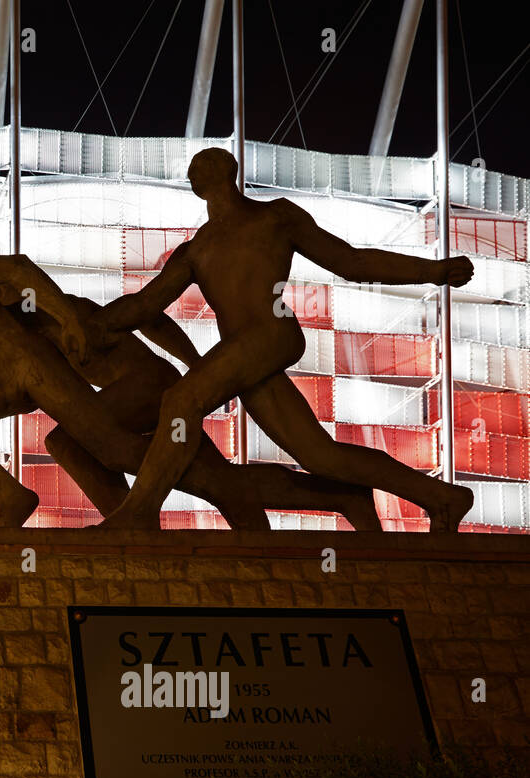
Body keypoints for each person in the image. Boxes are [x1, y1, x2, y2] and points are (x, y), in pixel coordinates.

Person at [0, 250, 380, 529]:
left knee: (114, 451)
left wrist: (195, 368)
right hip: (36, 386)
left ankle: (328, 495)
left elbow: (134, 313)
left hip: (117, 383)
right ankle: (21, 499)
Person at [91, 147, 476, 531]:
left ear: (227, 172)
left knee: (180, 400)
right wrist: (90, 321)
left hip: (270, 334)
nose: (197, 171)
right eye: (195, 167)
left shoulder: (274, 216)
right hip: (245, 356)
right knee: (320, 457)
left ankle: (139, 512)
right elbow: (144, 305)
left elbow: (352, 263)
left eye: (204, 164)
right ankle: (442, 497)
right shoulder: (194, 251)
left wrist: (433, 270)